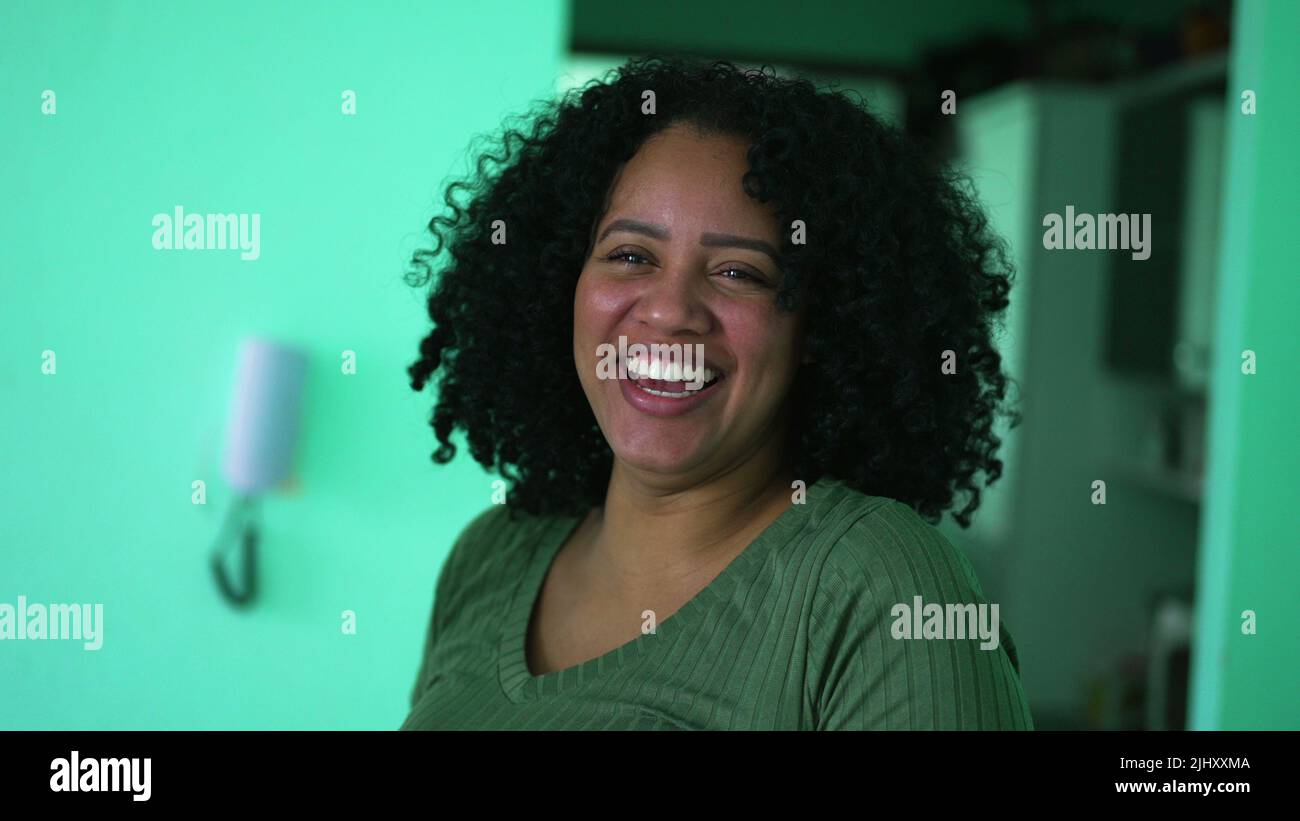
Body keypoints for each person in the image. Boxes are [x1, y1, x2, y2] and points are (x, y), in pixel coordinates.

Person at [400, 56, 1031, 730]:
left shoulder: (881, 584)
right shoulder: (492, 553)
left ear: (821, 324)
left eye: (739, 271)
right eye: (632, 255)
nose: (671, 310)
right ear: (561, 285)